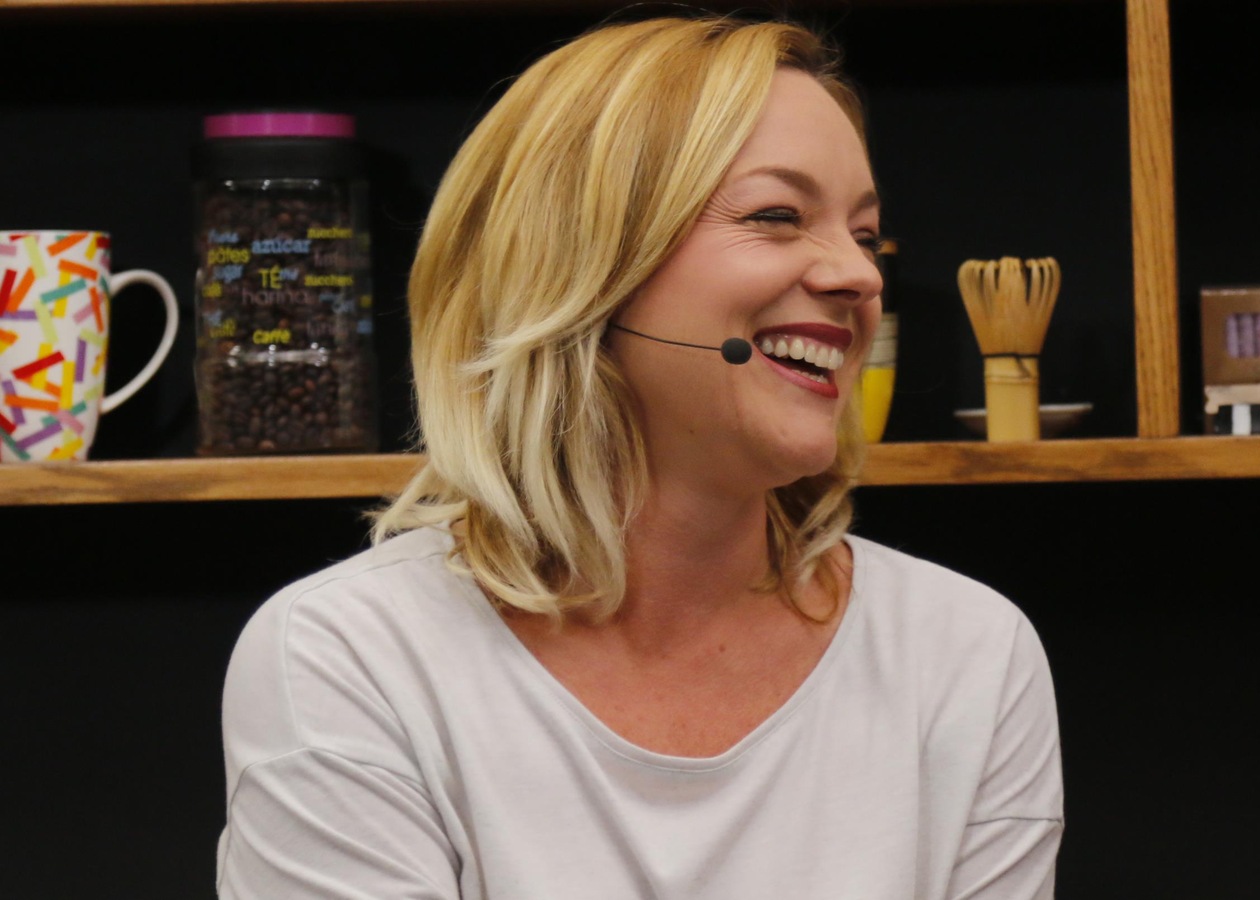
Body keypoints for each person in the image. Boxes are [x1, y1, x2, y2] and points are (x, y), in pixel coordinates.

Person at [217, 14, 1062, 899]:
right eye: (778, 215)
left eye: (862, 232)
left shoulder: (966, 654)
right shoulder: (350, 657)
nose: (861, 275)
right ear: (577, 266)